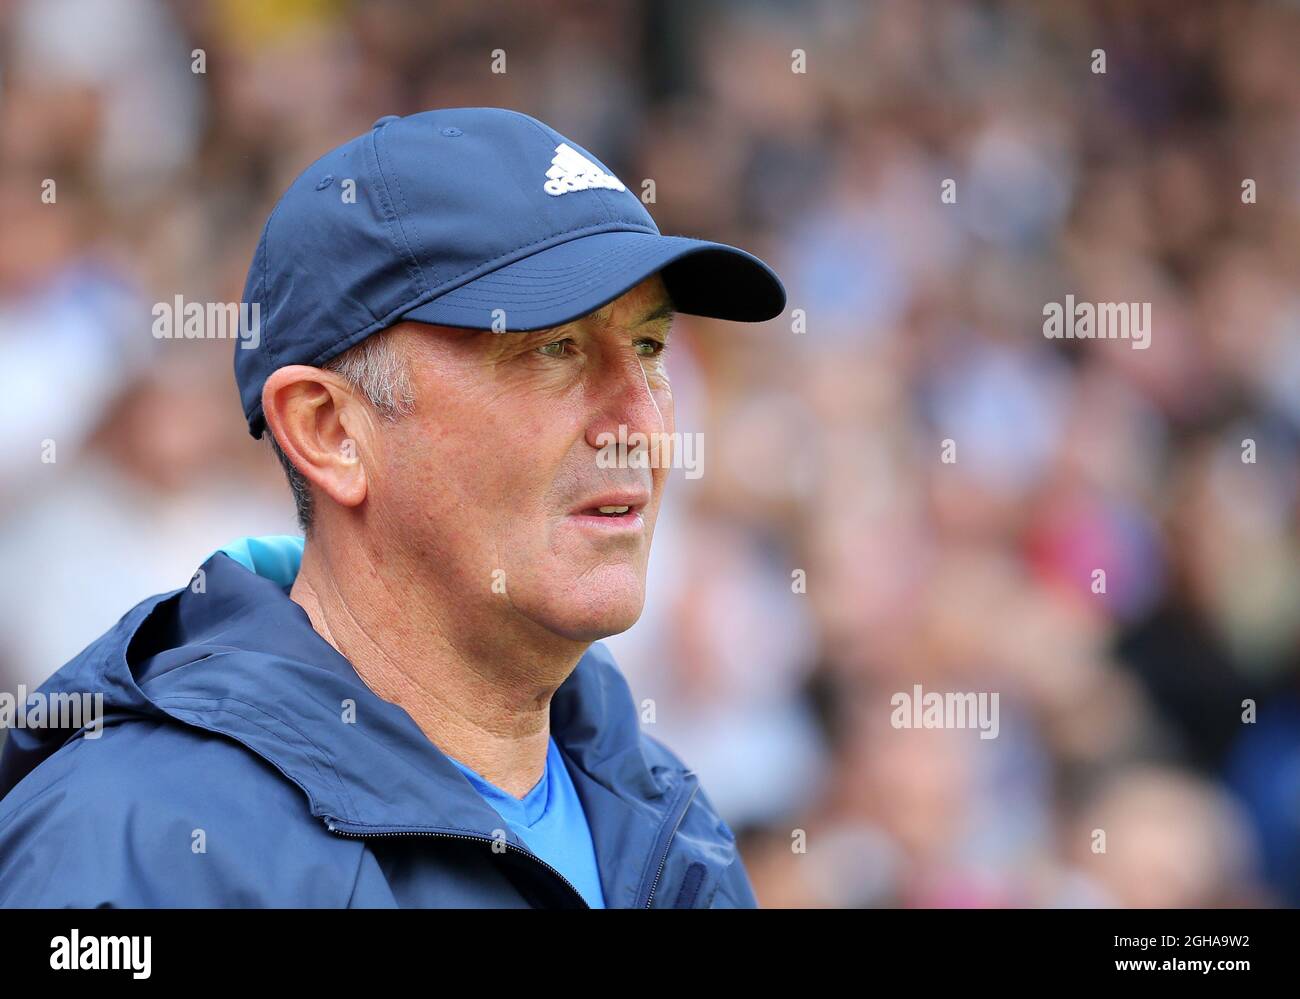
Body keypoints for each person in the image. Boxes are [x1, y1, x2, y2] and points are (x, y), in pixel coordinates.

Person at [0, 107, 786, 907]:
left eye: (650, 348)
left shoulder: (670, 824)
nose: (645, 428)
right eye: (556, 348)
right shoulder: (128, 851)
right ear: (330, 429)